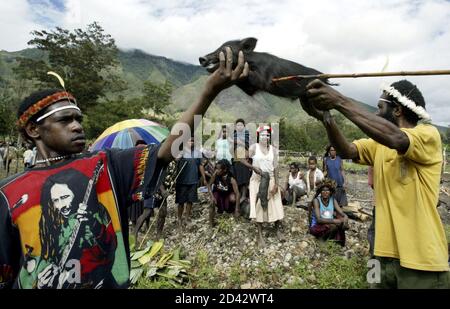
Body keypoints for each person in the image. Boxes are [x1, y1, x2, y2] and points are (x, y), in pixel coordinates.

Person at [0, 47, 249, 289]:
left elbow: (168, 149)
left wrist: (208, 92)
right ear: (34, 130)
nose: (77, 126)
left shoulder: (105, 164)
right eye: (65, 120)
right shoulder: (9, 193)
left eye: (78, 119)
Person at [301, 78, 449, 288]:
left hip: (421, 261)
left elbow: (397, 139)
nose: (376, 113)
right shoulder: (379, 144)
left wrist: (340, 101)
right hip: (380, 254)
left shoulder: (428, 134)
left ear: (397, 110)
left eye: (380, 107)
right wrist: (326, 117)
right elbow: (346, 151)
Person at [241, 125, 284, 248]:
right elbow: (242, 159)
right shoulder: (254, 148)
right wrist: (253, 167)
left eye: (268, 135)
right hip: (257, 180)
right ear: (259, 136)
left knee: (276, 204)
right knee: (259, 205)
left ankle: (277, 229)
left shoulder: (274, 150)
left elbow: (276, 167)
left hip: (270, 180)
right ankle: (259, 235)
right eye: (263, 135)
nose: (266, 137)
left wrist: (276, 183)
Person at [175, 137, 205, 229]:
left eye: (193, 141)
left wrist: (204, 177)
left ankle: (187, 217)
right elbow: (176, 160)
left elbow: (200, 165)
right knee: (181, 201)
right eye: (189, 140)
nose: (191, 142)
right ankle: (179, 218)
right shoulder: (181, 151)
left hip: (193, 180)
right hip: (182, 181)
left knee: (190, 200)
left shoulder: (198, 153)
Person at [309, 179, 348, 247]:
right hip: (317, 226)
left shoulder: (332, 200)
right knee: (334, 226)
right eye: (323, 190)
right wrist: (334, 221)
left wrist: (345, 217)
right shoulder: (316, 201)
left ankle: (340, 244)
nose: (325, 192)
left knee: (341, 225)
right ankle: (322, 241)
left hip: (329, 224)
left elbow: (341, 213)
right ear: (320, 192)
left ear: (330, 192)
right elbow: (319, 219)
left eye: (327, 190)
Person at [207, 159, 240, 226]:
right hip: (218, 194)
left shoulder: (231, 179)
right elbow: (209, 186)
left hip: (227, 195)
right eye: (216, 168)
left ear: (224, 170)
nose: (216, 170)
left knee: (232, 198)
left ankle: (232, 210)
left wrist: (237, 209)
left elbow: (237, 193)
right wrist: (212, 196)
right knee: (212, 202)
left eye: (218, 169)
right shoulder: (215, 175)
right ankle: (211, 222)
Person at [232, 118, 252, 203]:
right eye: (238, 125)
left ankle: (244, 195)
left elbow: (246, 144)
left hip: (244, 157)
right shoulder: (234, 135)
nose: (239, 127)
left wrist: (235, 141)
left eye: (241, 125)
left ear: (244, 126)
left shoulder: (246, 134)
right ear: (235, 127)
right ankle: (239, 194)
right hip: (236, 158)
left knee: (244, 177)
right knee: (238, 177)